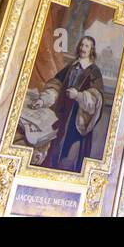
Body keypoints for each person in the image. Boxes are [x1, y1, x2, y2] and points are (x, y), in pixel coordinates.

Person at [44, 35, 105, 172]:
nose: (83, 48)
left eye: (86, 46)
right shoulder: (72, 66)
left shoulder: (94, 71)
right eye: (82, 45)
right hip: (63, 112)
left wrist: (78, 95)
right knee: (55, 144)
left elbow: (97, 99)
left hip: (79, 118)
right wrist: (45, 98)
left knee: (71, 152)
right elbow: (57, 83)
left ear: (91, 50)